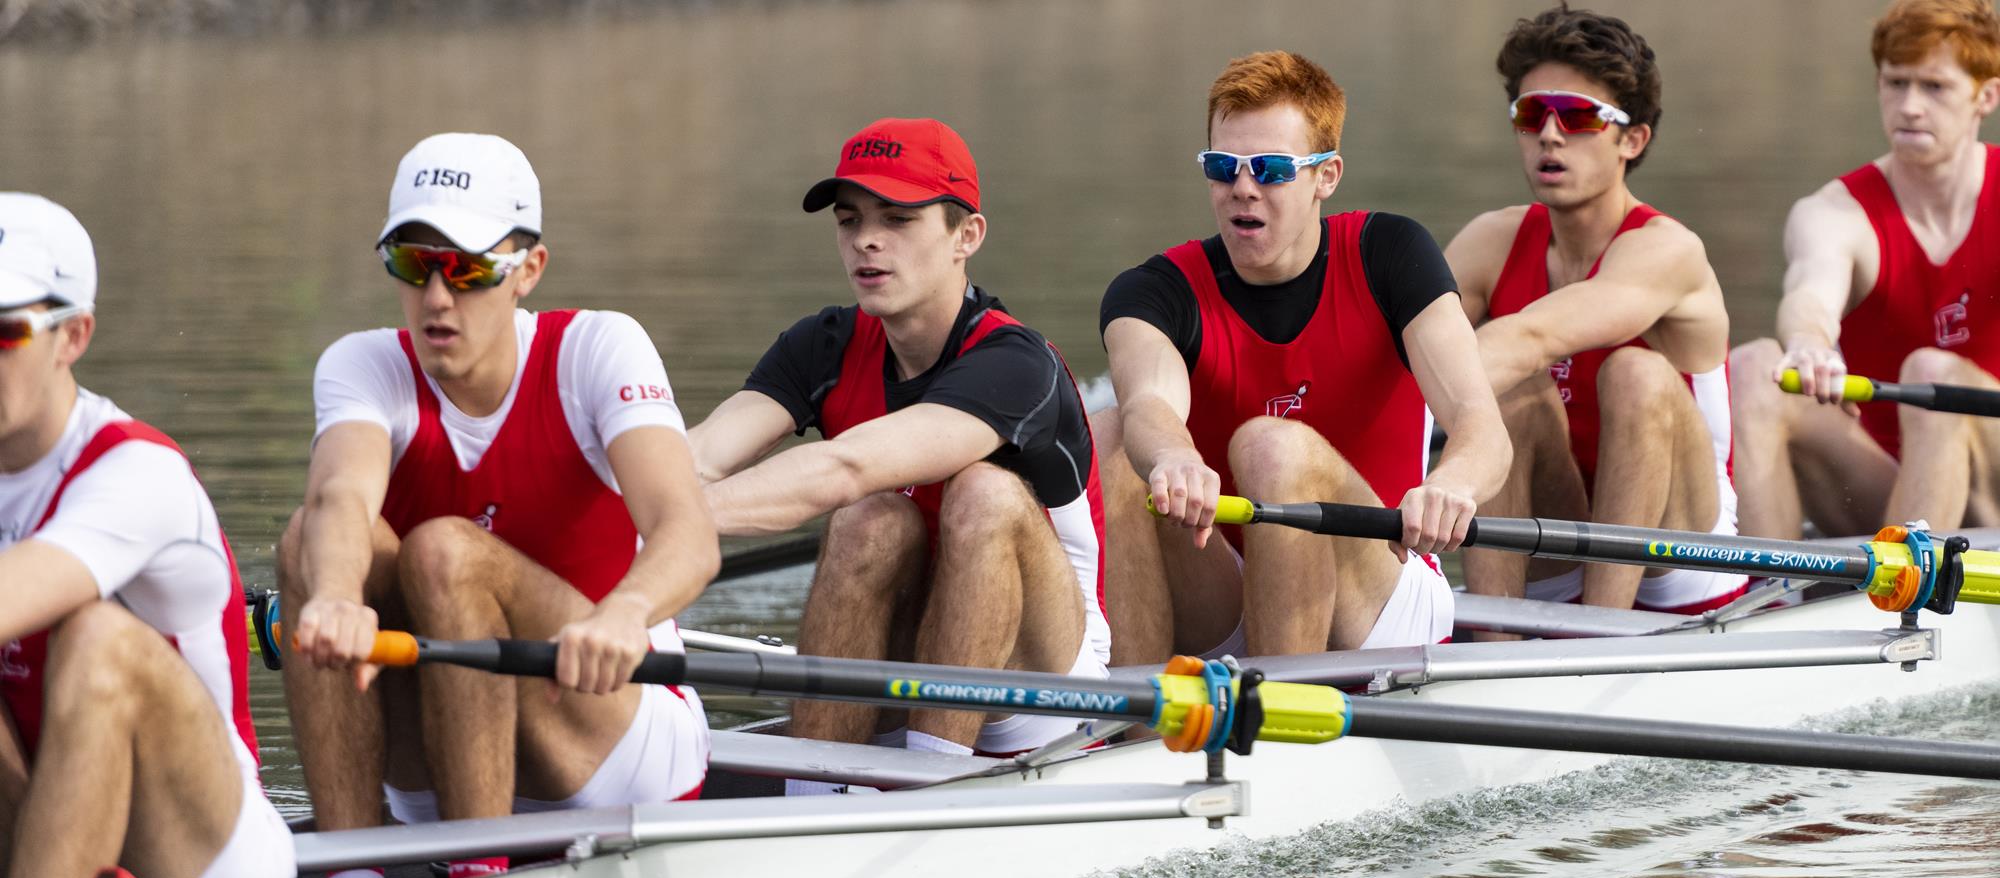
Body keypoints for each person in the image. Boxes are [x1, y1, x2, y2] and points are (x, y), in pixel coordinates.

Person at [279, 133, 717, 878]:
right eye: (415, 264)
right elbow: (342, 495)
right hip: (441, 760)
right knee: (307, 546)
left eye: (469, 268)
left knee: (446, 552)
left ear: (528, 271)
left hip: (615, 743)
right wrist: (340, 594)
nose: (438, 298)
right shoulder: (361, 364)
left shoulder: (598, 350)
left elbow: (688, 533)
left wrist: (626, 611)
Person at [690, 118, 1108, 761]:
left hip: (1043, 683)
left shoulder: (1016, 363)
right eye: (850, 219)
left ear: (966, 236)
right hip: (914, 647)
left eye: (898, 219)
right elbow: (700, 456)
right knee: (870, 521)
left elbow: (846, 466)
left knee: (983, 492)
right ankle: (815, 795)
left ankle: (931, 778)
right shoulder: (821, 344)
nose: (867, 242)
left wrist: (669, 517)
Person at [1095, 50, 1510, 664]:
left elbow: (1481, 423)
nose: (1242, 188)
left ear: (1326, 175)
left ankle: (1278, 718)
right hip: (1226, 588)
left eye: (1269, 169)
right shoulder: (1153, 291)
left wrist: (1451, 485)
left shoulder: (1392, 254)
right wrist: (1174, 455)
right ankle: (1133, 732)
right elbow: (1149, 402)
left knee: (1272, 445)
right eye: (1222, 166)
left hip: (1382, 596)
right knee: (1110, 438)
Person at [0, 194, 292, 878]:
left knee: (97, 638)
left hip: (203, 864)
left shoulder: (136, 473)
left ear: (73, 335)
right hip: (41, 812)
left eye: (6, 332)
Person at [1445, 5, 1745, 614]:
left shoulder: (1668, 249)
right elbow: (1395, 347)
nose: (1550, 135)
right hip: (1556, 528)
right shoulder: (1490, 240)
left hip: (1680, 553)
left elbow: (1530, 336)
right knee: (1509, 394)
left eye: (1579, 117)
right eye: (1532, 115)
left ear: (1632, 139)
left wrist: (1421, 402)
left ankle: (1598, 634)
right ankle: (1492, 644)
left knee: (1634, 373)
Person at [1732, 0, 2000, 538]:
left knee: (1932, 369)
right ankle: (1770, 595)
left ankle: (1912, 596)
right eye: (1895, 83)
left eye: (1934, 87)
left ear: (1985, 96)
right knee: (1753, 367)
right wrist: (1810, 343)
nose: (1910, 107)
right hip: (1879, 482)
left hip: (1990, 475)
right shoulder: (1834, 211)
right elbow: (1811, 293)